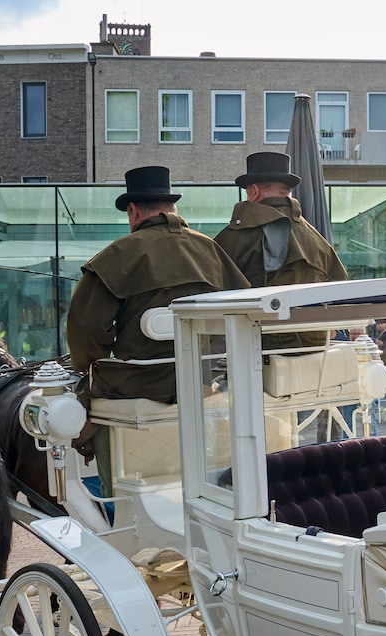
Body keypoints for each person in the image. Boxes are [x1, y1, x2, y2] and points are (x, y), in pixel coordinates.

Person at [66, 166, 249, 482]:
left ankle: (112, 487)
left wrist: (91, 367)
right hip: (201, 381)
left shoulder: (115, 256)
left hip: (137, 383)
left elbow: (85, 330)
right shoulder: (212, 251)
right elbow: (243, 312)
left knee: (75, 403)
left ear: (133, 211)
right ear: (172, 206)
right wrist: (210, 369)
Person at [214, 151, 347, 290]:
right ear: (288, 191)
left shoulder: (237, 235)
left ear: (254, 191)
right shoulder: (316, 239)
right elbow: (338, 282)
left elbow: (211, 283)